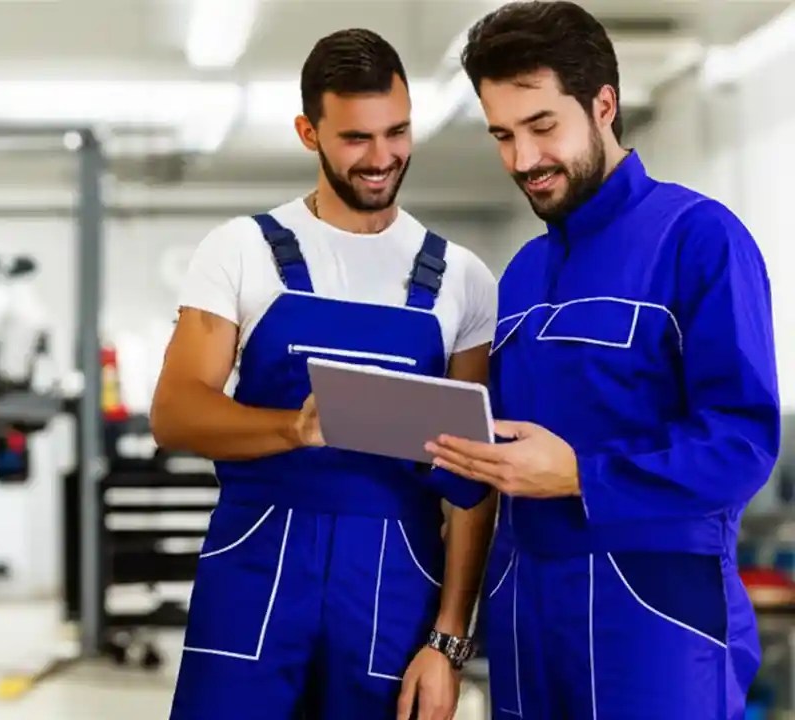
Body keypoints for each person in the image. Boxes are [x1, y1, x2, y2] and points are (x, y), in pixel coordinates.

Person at [426, 3, 781, 718]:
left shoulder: (699, 239)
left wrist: (583, 476)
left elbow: (742, 443)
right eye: (502, 135)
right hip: (526, 616)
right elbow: (502, 443)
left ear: (604, 105)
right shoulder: (522, 274)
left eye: (542, 127)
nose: (522, 160)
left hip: (652, 619)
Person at [152, 27, 499, 720]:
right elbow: (175, 412)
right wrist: (294, 427)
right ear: (308, 131)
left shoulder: (461, 278)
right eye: (355, 139)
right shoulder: (242, 251)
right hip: (254, 570)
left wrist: (450, 639)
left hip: (393, 589)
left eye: (397, 132)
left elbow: (475, 477)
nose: (382, 157)